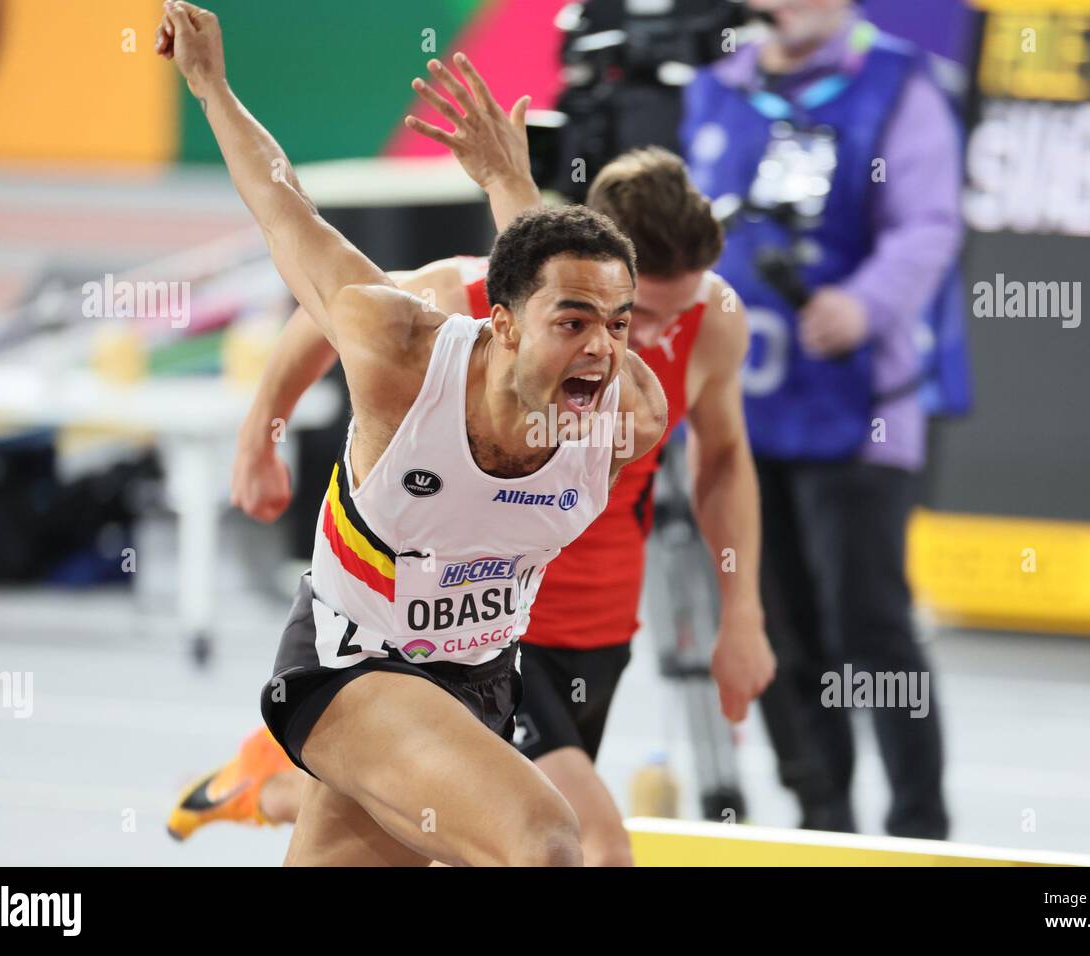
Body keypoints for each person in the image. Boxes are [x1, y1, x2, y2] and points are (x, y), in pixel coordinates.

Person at [167, 51, 775, 864]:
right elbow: (287, 218)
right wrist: (212, 85)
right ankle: (283, 766)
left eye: (624, 326)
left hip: (485, 679)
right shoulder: (406, 352)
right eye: (575, 324)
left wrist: (742, 612)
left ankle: (266, 783)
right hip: (352, 666)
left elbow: (693, 432)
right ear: (505, 323)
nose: (606, 349)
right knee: (557, 844)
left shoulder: (624, 417)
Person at [679, 0, 966, 838]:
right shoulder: (717, 86)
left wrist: (864, 303)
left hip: (860, 407)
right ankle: (823, 823)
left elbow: (930, 223)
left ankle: (920, 829)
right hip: (741, 413)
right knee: (776, 628)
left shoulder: (898, 82)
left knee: (871, 624)